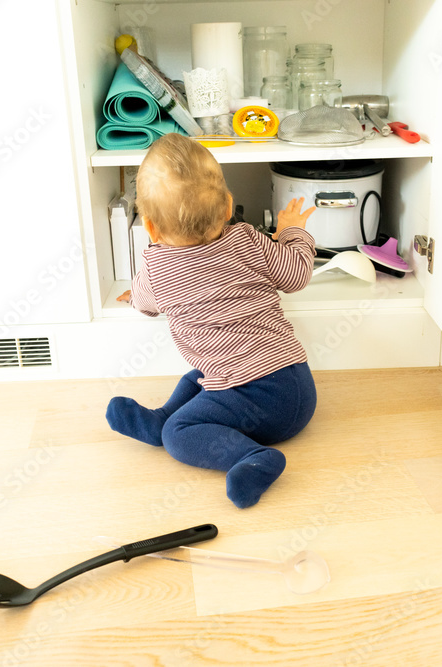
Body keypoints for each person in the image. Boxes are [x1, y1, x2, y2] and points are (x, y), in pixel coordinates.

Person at [106, 133, 317, 508]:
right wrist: (290, 232)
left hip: (259, 406)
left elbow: (144, 303)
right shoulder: (248, 239)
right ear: (228, 207)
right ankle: (159, 419)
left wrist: (134, 297)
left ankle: (248, 456)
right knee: (201, 377)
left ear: (150, 228)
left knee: (179, 434)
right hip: (296, 385)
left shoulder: (156, 269)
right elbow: (297, 275)